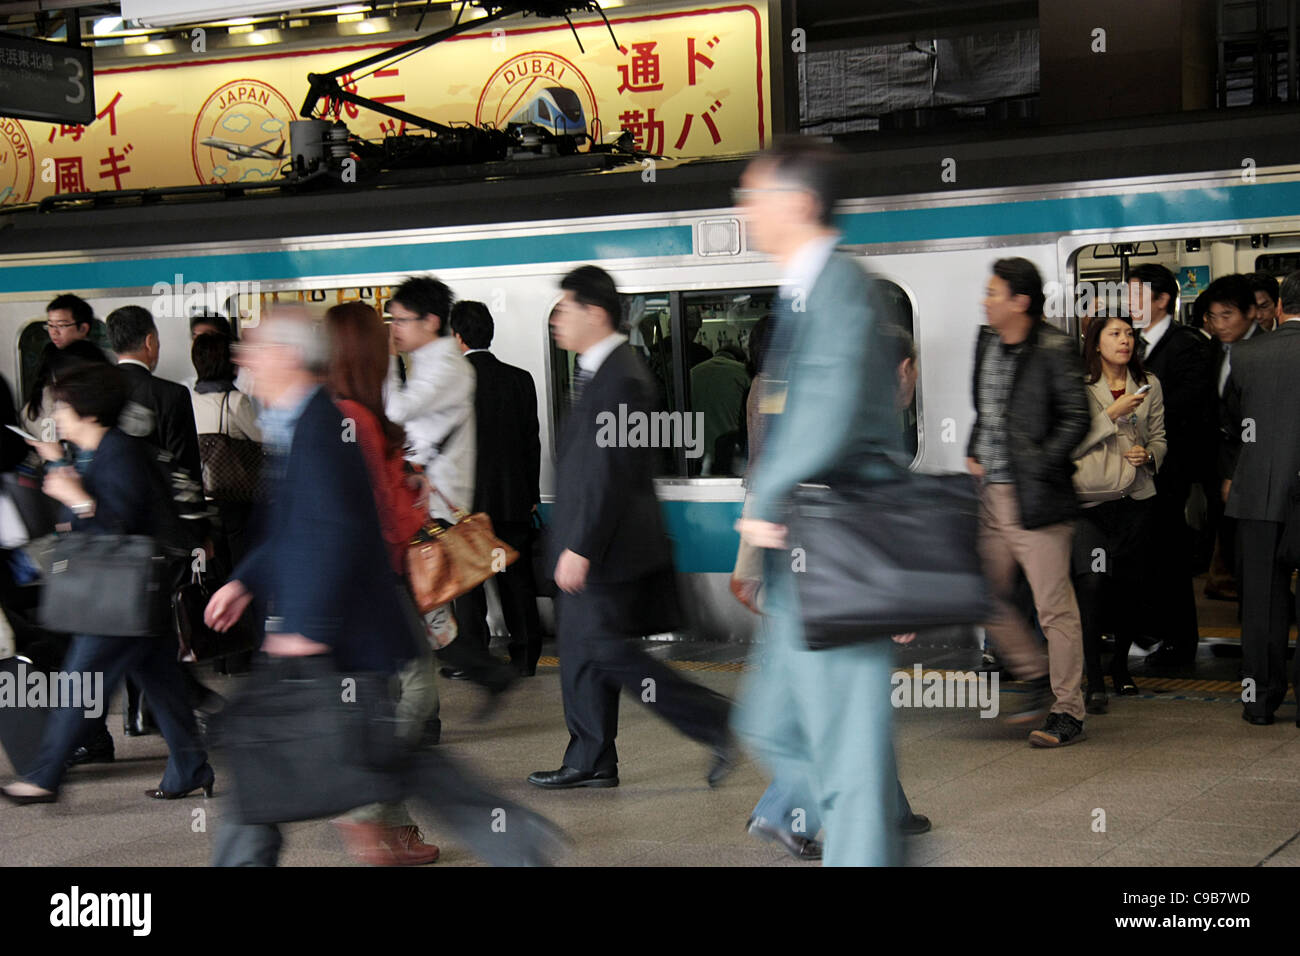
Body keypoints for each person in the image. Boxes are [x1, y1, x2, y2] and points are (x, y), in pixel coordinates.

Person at [731, 138, 909, 866]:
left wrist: (764, 497)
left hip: (841, 560)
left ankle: (862, 842)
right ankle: (860, 830)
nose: (743, 210)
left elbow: (830, 413)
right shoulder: (801, 292)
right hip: (801, 568)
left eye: (753, 195)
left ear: (798, 205)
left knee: (850, 767)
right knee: (768, 725)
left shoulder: (841, 289)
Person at [205, 310, 421, 864]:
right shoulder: (298, 420)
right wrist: (246, 581)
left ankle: (513, 840)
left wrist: (303, 627)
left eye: (254, 348)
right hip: (325, 638)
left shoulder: (326, 423)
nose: (242, 359)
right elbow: (297, 527)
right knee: (285, 780)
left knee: (339, 777)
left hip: (330, 640)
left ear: (288, 356)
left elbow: (333, 530)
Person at [528, 264, 733, 791]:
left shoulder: (621, 377)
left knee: (608, 652)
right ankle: (591, 757)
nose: (557, 320)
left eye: (565, 308)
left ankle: (715, 720)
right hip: (592, 545)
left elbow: (610, 473)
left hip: (605, 550)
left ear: (594, 313)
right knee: (584, 652)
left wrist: (580, 545)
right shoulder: (604, 371)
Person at [736, 320, 930, 861]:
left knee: (835, 705)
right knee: (837, 710)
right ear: (902, 369)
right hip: (833, 589)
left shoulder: (818, 404)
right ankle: (785, 811)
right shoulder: (863, 422)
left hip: (804, 581)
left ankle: (882, 809)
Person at [1, 363, 214, 805]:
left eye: (62, 406)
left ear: (89, 411)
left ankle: (44, 775)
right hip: (129, 595)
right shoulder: (97, 452)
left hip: (121, 594)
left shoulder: (119, 453)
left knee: (80, 682)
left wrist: (75, 497)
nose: (55, 414)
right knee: (161, 681)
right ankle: (192, 767)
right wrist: (59, 465)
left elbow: (117, 525)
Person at [324, 301, 441, 865]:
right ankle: (367, 808)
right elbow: (386, 516)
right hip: (378, 584)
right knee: (416, 693)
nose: (393, 338)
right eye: (384, 332)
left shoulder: (343, 413)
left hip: (366, 584)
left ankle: (396, 827)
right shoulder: (359, 419)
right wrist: (414, 495)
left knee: (386, 702)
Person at [966, 257, 1090, 747]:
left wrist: (1038, 462)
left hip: (1036, 498)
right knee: (982, 593)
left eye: (994, 292)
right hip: (990, 495)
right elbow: (985, 410)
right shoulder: (987, 343)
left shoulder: (1055, 349)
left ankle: (1068, 711)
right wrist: (977, 447)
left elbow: (1076, 420)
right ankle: (1037, 675)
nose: (986, 300)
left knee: (1054, 608)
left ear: (1020, 301)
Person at [1070, 315, 1166, 712]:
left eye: (1129, 333)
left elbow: (1160, 435)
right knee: (1092, 586)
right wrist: (1111, 414)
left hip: (1135, 498)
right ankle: (1093, 677)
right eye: (1114, 334)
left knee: (1129, 587)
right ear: (1096, 344)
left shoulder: (1150, 383)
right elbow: (1067, 444)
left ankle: (1120, 666)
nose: (1124, 340)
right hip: (1090, 503)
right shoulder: (1078, 385)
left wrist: (1151, 455)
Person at [448, 300, 544, 678]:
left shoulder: (452, 383)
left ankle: (474, 656)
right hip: (511, 503)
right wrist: (532, 495)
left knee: (468, 582)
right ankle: (525, 657)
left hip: (466, 507)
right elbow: (531, 442)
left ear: (457, 337)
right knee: (514, 580)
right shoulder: (520, 379)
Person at [1221, 271, 1300, 726]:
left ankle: (1260, 701)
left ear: (1280, 307)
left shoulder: (1245, 354)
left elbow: (1230, 423)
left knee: (1261, 603)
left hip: (1256, 495)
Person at [1126, 264, 1213, 671]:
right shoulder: (1132, 344)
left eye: (1137, 296)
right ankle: (1148, 634)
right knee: (1145, 557)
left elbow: (1190, 408)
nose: (1129, 304)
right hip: (1136, 473)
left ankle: (1179, 645)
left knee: (1172, 561)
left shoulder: (1186, 345)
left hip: (1171, 471)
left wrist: (1141, 415)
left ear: (1163, 300)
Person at [1203, 275, 1260, 603]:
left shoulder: (1266, 351)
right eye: (1214, 317)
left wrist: (1234, 472)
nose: (1220, 324)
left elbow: (1255, 422)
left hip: (1250, 464)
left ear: (1251, 312)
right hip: (1218, 461)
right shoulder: (1216, 348)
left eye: (1228, 315)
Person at [106, 305, 203, 485]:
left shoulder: (97, 389)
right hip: (161, 505)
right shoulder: (173, 394)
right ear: (149, 342)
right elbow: (186, 465)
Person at [191, 333, 261, 568]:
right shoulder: (235, 400)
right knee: (240, 551)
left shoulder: (189, 399)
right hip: (234, 492)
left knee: (216, 557)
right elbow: (261, 439)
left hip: (201, 492)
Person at [689, 344, 751, 475]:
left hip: (694, 451)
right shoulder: (744, 373)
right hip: (727, 452)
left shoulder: (693, 372)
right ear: (741, 359)